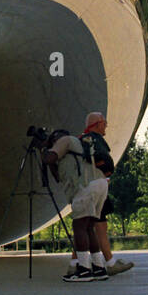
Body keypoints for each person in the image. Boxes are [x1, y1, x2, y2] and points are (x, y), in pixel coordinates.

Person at [45, 111, 112, 281]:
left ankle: (83, 269)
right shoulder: (79, 144)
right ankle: (98, 268)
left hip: (87, 187)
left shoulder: (65, 141)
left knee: (79, 227)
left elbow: (50, 158)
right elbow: (59, 174)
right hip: (100, 183)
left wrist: (43, 150)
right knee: (89, 227)